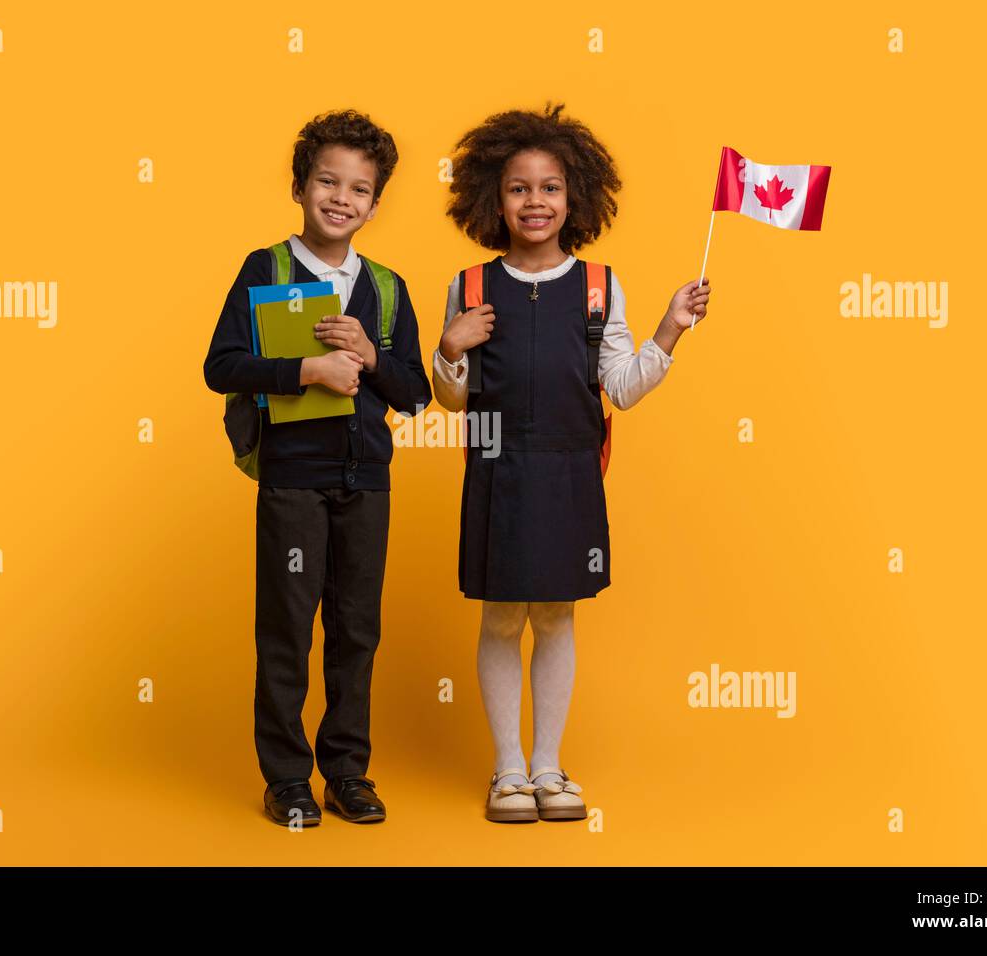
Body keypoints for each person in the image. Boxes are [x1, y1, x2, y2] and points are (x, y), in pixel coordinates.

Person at [432, 103, 712, 822]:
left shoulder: (598, 286)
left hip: (569, 470)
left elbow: (620, 387)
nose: (535, 201)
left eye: (550, 187)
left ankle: (550, 769)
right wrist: (452, 349)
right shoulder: (467, 286)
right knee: (500, 618)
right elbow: (452, 401)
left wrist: (668, 330)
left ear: (574, 197)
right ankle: (508, 773)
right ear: (494, 199)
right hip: (495, 467)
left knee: (556, 615)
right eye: (520, 187)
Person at [203, 109, 431, 827]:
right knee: (288, 628)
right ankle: (287, 778)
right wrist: (305, 368)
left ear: (375, 202)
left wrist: (369, 354)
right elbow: (221, 367)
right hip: (292, 482)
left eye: (359, 188)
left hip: (367, 484)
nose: (341, 197)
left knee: (357, 631)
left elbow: (417, 393)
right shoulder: (264, 269)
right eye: (327, 181)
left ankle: (347, 772)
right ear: (300, 186)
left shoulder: (386, 288)